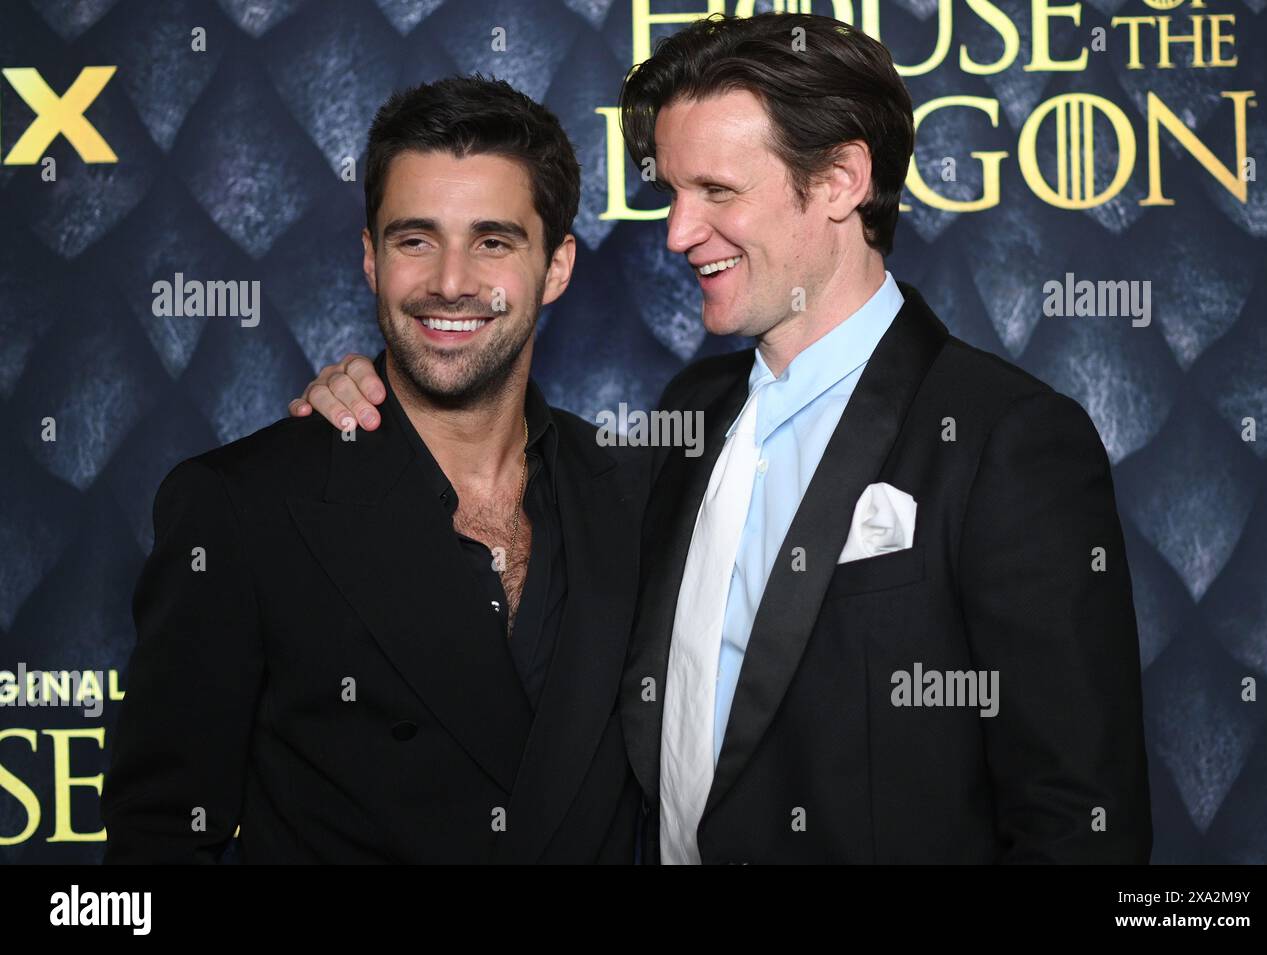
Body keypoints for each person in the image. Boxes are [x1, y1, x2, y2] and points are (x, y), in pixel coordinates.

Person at [292, 14, 1152, 864]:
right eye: (671, 193)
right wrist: (377, 396)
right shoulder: (689, 418)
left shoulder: (1006, 440)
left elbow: (1079, 823)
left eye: (717, 192)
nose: (676, 233)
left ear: (843, 179)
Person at [102, 76, 646, 863]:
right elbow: (157, 842)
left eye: (492, 240)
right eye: (414, 239)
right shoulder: (243, 507)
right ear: (369, 258)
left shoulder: (640, 496)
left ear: (556, 266)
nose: (450, 281)